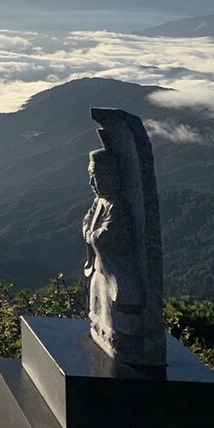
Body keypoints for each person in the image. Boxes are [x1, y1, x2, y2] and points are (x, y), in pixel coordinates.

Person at [83, 146, 144, 362]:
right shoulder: (99, 203)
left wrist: (93, 235)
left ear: (112, 176)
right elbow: (87, 223)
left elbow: (109, 235)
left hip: (114, 272)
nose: (92, 183)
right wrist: (91, 234)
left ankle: (119, 342)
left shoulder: (119, 205)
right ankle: (101, 332)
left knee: (113, 315)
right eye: (91, 177)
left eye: (96, 177)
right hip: (99, 268)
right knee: (96, 307)